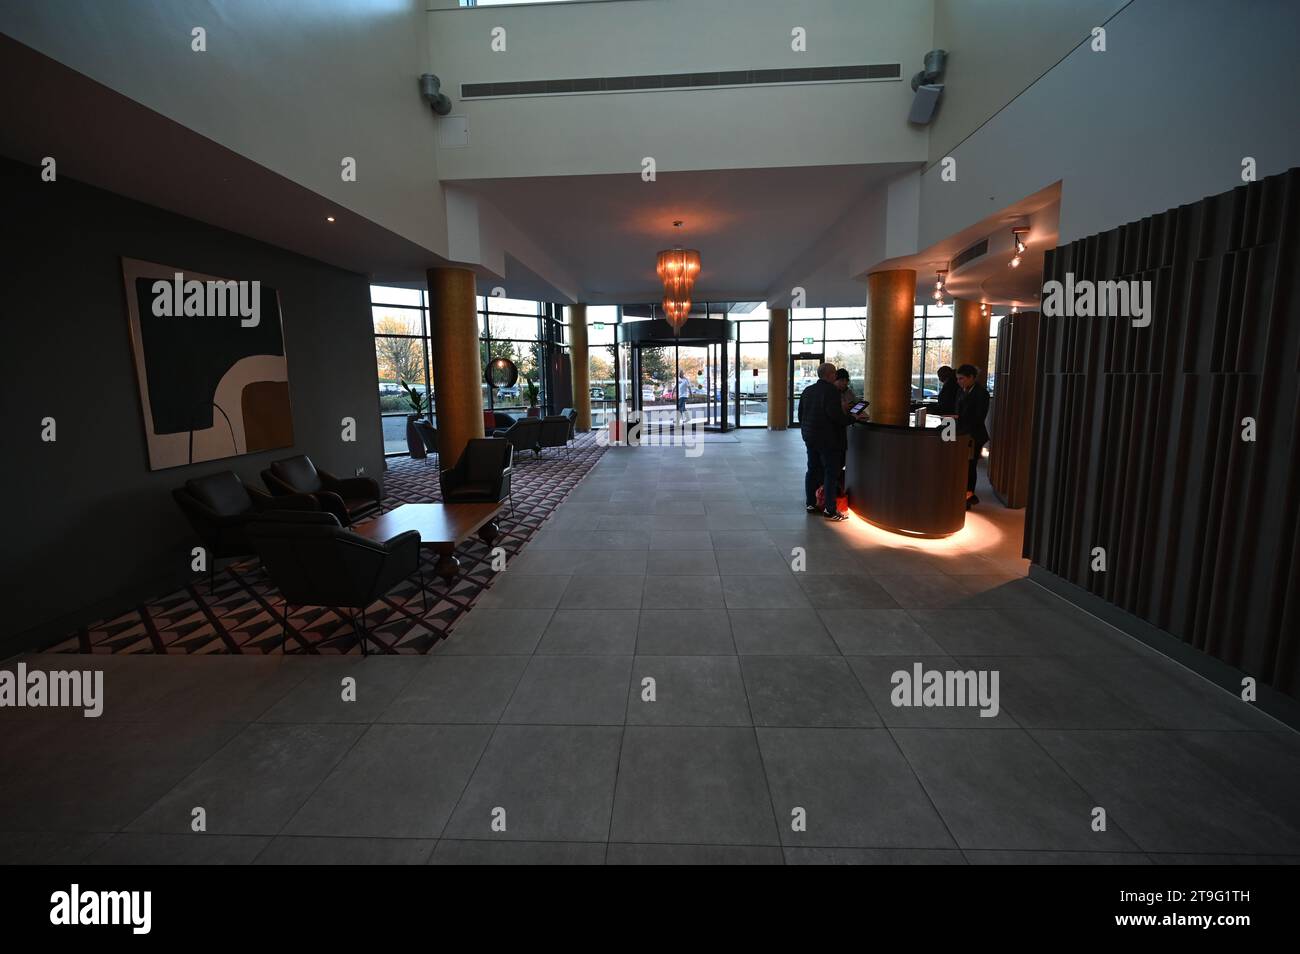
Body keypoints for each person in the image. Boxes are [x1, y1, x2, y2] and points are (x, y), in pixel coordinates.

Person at [799, 362, 857, 520]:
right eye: (835, 373)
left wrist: (807, 431)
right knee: (830, 473)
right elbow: (835, 416)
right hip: (828, 440)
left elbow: (800, 415)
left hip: (810, 437)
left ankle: (811, 503)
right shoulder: (831, 391)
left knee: (812, 469)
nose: (836, 376)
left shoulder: (808, 390)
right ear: (830, 375)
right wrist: (852, 418)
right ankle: (830, 510)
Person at [954, 363, 990, 508]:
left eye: (961, 378)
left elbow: (979, 417)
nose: (959, 381)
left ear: (971, 377)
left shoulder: (981, 393)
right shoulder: (962, 390)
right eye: (958, 379)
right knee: (963, 466)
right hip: (962, 434)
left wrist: (960, 421)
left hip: (974, 436)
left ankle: (968, 498)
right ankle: (962, 495)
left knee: (970, 466)